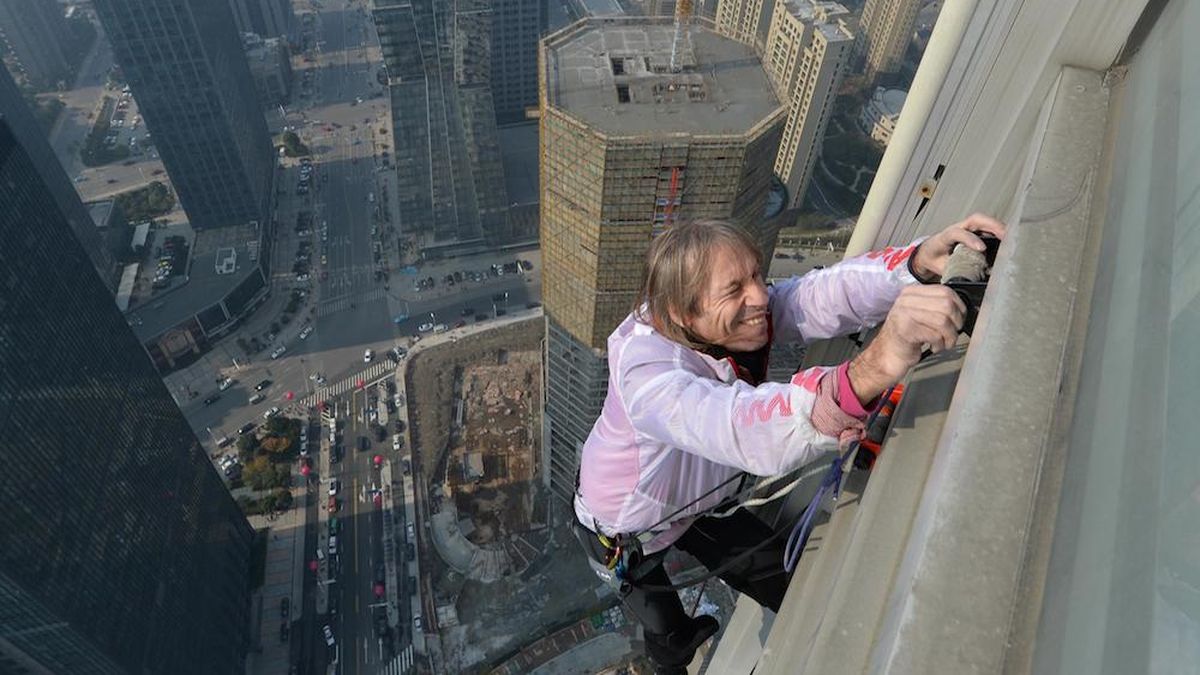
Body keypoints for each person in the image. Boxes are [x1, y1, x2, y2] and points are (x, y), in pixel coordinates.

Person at [572, 214, 1007, 674]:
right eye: (735, 289)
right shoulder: (649, 383)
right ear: (684, 315)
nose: (760, 295)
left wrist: (916, 264)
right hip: (625, 532)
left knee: (794, 583)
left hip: (698, 505)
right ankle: (670, 654)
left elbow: (809, 298)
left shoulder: (704, 318)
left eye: (757, 274)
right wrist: (873, 367)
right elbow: (738, 426)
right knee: (666, 629)